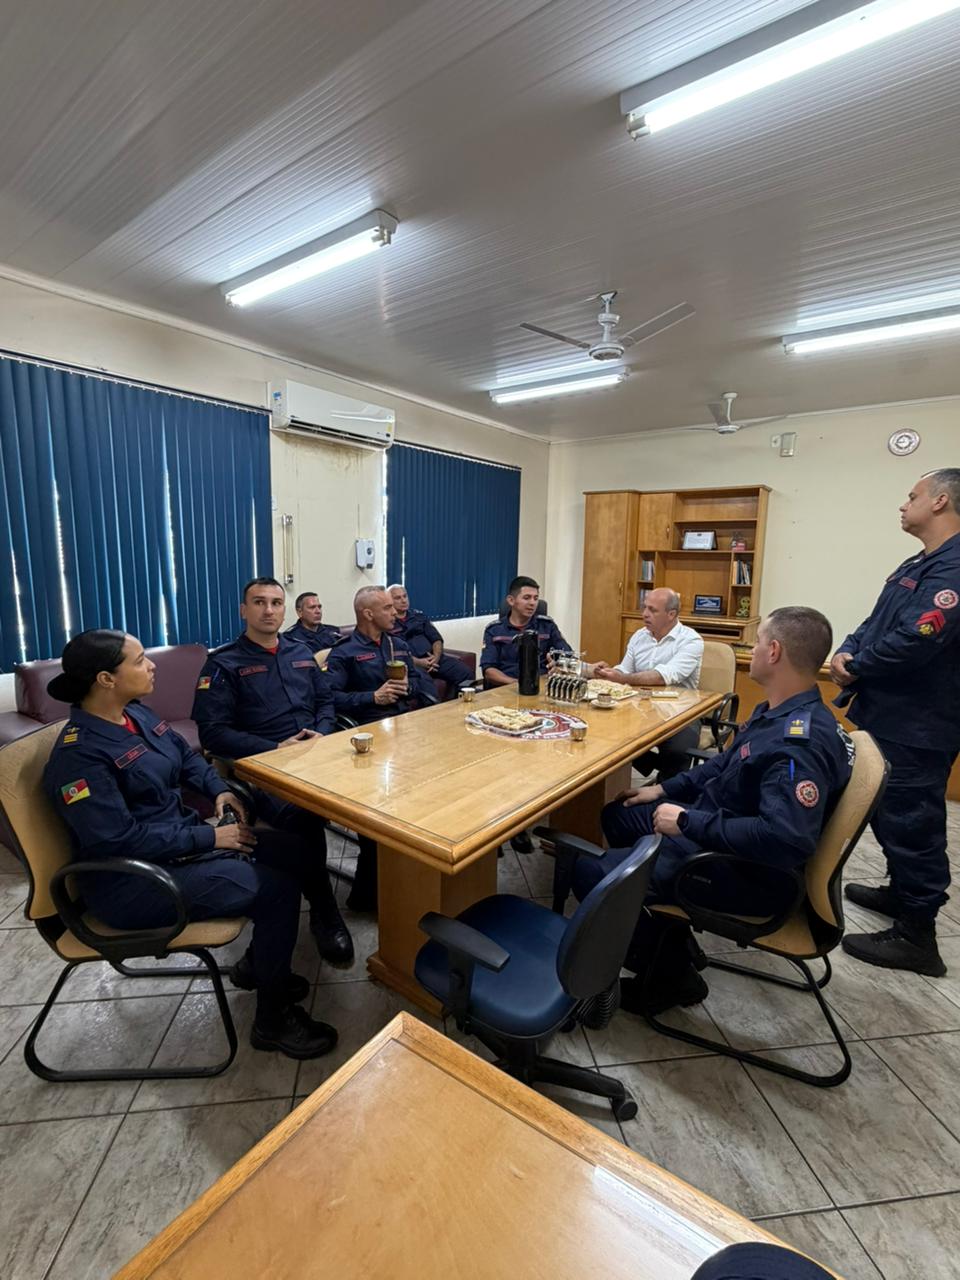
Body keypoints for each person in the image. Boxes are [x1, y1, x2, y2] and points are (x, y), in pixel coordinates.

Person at [43, 630, 338, 1060]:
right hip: (132, 882)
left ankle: (258, 965)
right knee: (275, 890)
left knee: (296, 850)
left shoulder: (134, 714)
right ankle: (272, 1021)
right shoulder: (79, 756)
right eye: (140, 659)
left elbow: (184, 758)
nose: (152, 665)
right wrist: (211, 836)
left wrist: (219, 790)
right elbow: (117, 839)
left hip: (178, 848)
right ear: (106, 679)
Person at [573, 607, 854, 1014]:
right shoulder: (778, 711)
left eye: (756, 644)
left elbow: (783, 840)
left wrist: (686, 820)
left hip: (746, 869)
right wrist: (662, 791)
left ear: (773, 652)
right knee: (617, 817)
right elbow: (723, 765)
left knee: (590, 872)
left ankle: (671, 979)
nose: (751, 651)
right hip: (720, 825)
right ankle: (671, 935)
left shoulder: (799, 745)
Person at [831, 468, 960, 977]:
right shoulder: (919, 562)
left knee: (913, 822)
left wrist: (858, 665)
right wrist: (846, 649)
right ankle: (898, 892)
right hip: (887, 715)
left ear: (941, 501)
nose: (903, 505)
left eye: (912, 497)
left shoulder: (954, 568)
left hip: (918, 724)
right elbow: (877, 619)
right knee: (886, 811)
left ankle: (916, 936)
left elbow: (920, 637)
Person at [191, 576, 353, 965]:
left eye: (276, 603)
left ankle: (367, 890)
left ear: (285, 609)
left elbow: (327, 702)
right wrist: (274, 748)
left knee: (381, 798)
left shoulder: (299, 652)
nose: (268, 610)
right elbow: (212, 734)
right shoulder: (223, 663)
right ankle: (325, 910)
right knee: (305, 815)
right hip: (263, 770)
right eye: (259, 602)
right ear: (244, 610)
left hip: (319, 753)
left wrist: (323, 732)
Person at [324, 585, 438, 910]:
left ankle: (415, 870)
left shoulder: (398, 645)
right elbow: (329, 698)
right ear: (368, 614)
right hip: (369, 734)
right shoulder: (343, 652)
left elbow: (417, 682)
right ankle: (366, 895)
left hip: (405, 728)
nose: (395, 612)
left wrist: (409, 686)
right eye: (387, 608)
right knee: (382, 817)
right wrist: (371, 697)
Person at [588, 587, 704, 781]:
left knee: (678, 750)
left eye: (652, 610)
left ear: (671, 614)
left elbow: (663, 677)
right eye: (644, 608)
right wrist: (608, 674)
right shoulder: (640, 636)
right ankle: (645, 767)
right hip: (639, 706)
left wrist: (622, 678)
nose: (644, 614)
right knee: (603, 734)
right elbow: (625, 669)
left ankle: (666, 794)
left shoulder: (691, 640)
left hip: (680, 711)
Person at [480, 576, 572, 687]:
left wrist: (559, 664)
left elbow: (567, 655)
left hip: (541, 687)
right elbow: (489, 671)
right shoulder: (495, 630)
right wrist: (518, 684)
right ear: (511, 600)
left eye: (535, 598)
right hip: (506, 688)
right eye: (527, 598)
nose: (532, 603)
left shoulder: (547, 626)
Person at [387, 584, 474, 700]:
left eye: (405, 596)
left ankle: (459, 706)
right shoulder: (387, 622)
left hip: (434, 659)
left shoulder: (419, 616)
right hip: (411, 664)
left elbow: (436, 639)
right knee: (428, 687)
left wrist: (436, 657)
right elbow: (393, 652)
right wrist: (418, 662)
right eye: (398, 598)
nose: (403, 600)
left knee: (465, 673)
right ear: (389, 601)